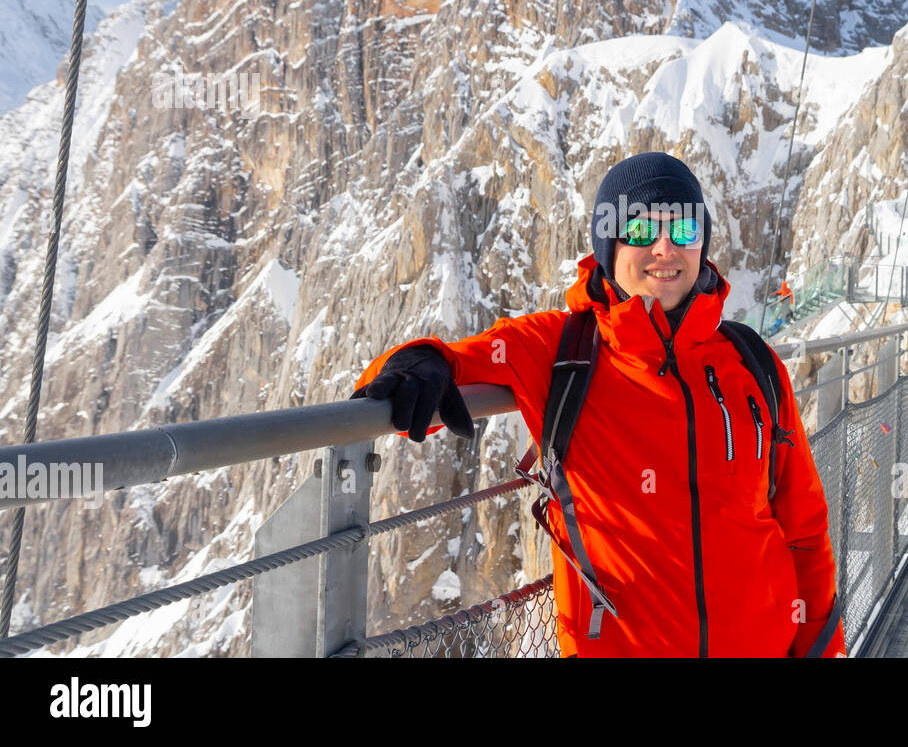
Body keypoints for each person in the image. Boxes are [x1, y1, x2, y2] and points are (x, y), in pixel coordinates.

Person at [352, 152, 845, 657]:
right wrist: (415, 365)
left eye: (684, 229)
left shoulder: (753, 362)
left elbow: (804, 529)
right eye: (639, 228)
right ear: (608, 245)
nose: (664, 248)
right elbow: (430, 366)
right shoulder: (562, 352)